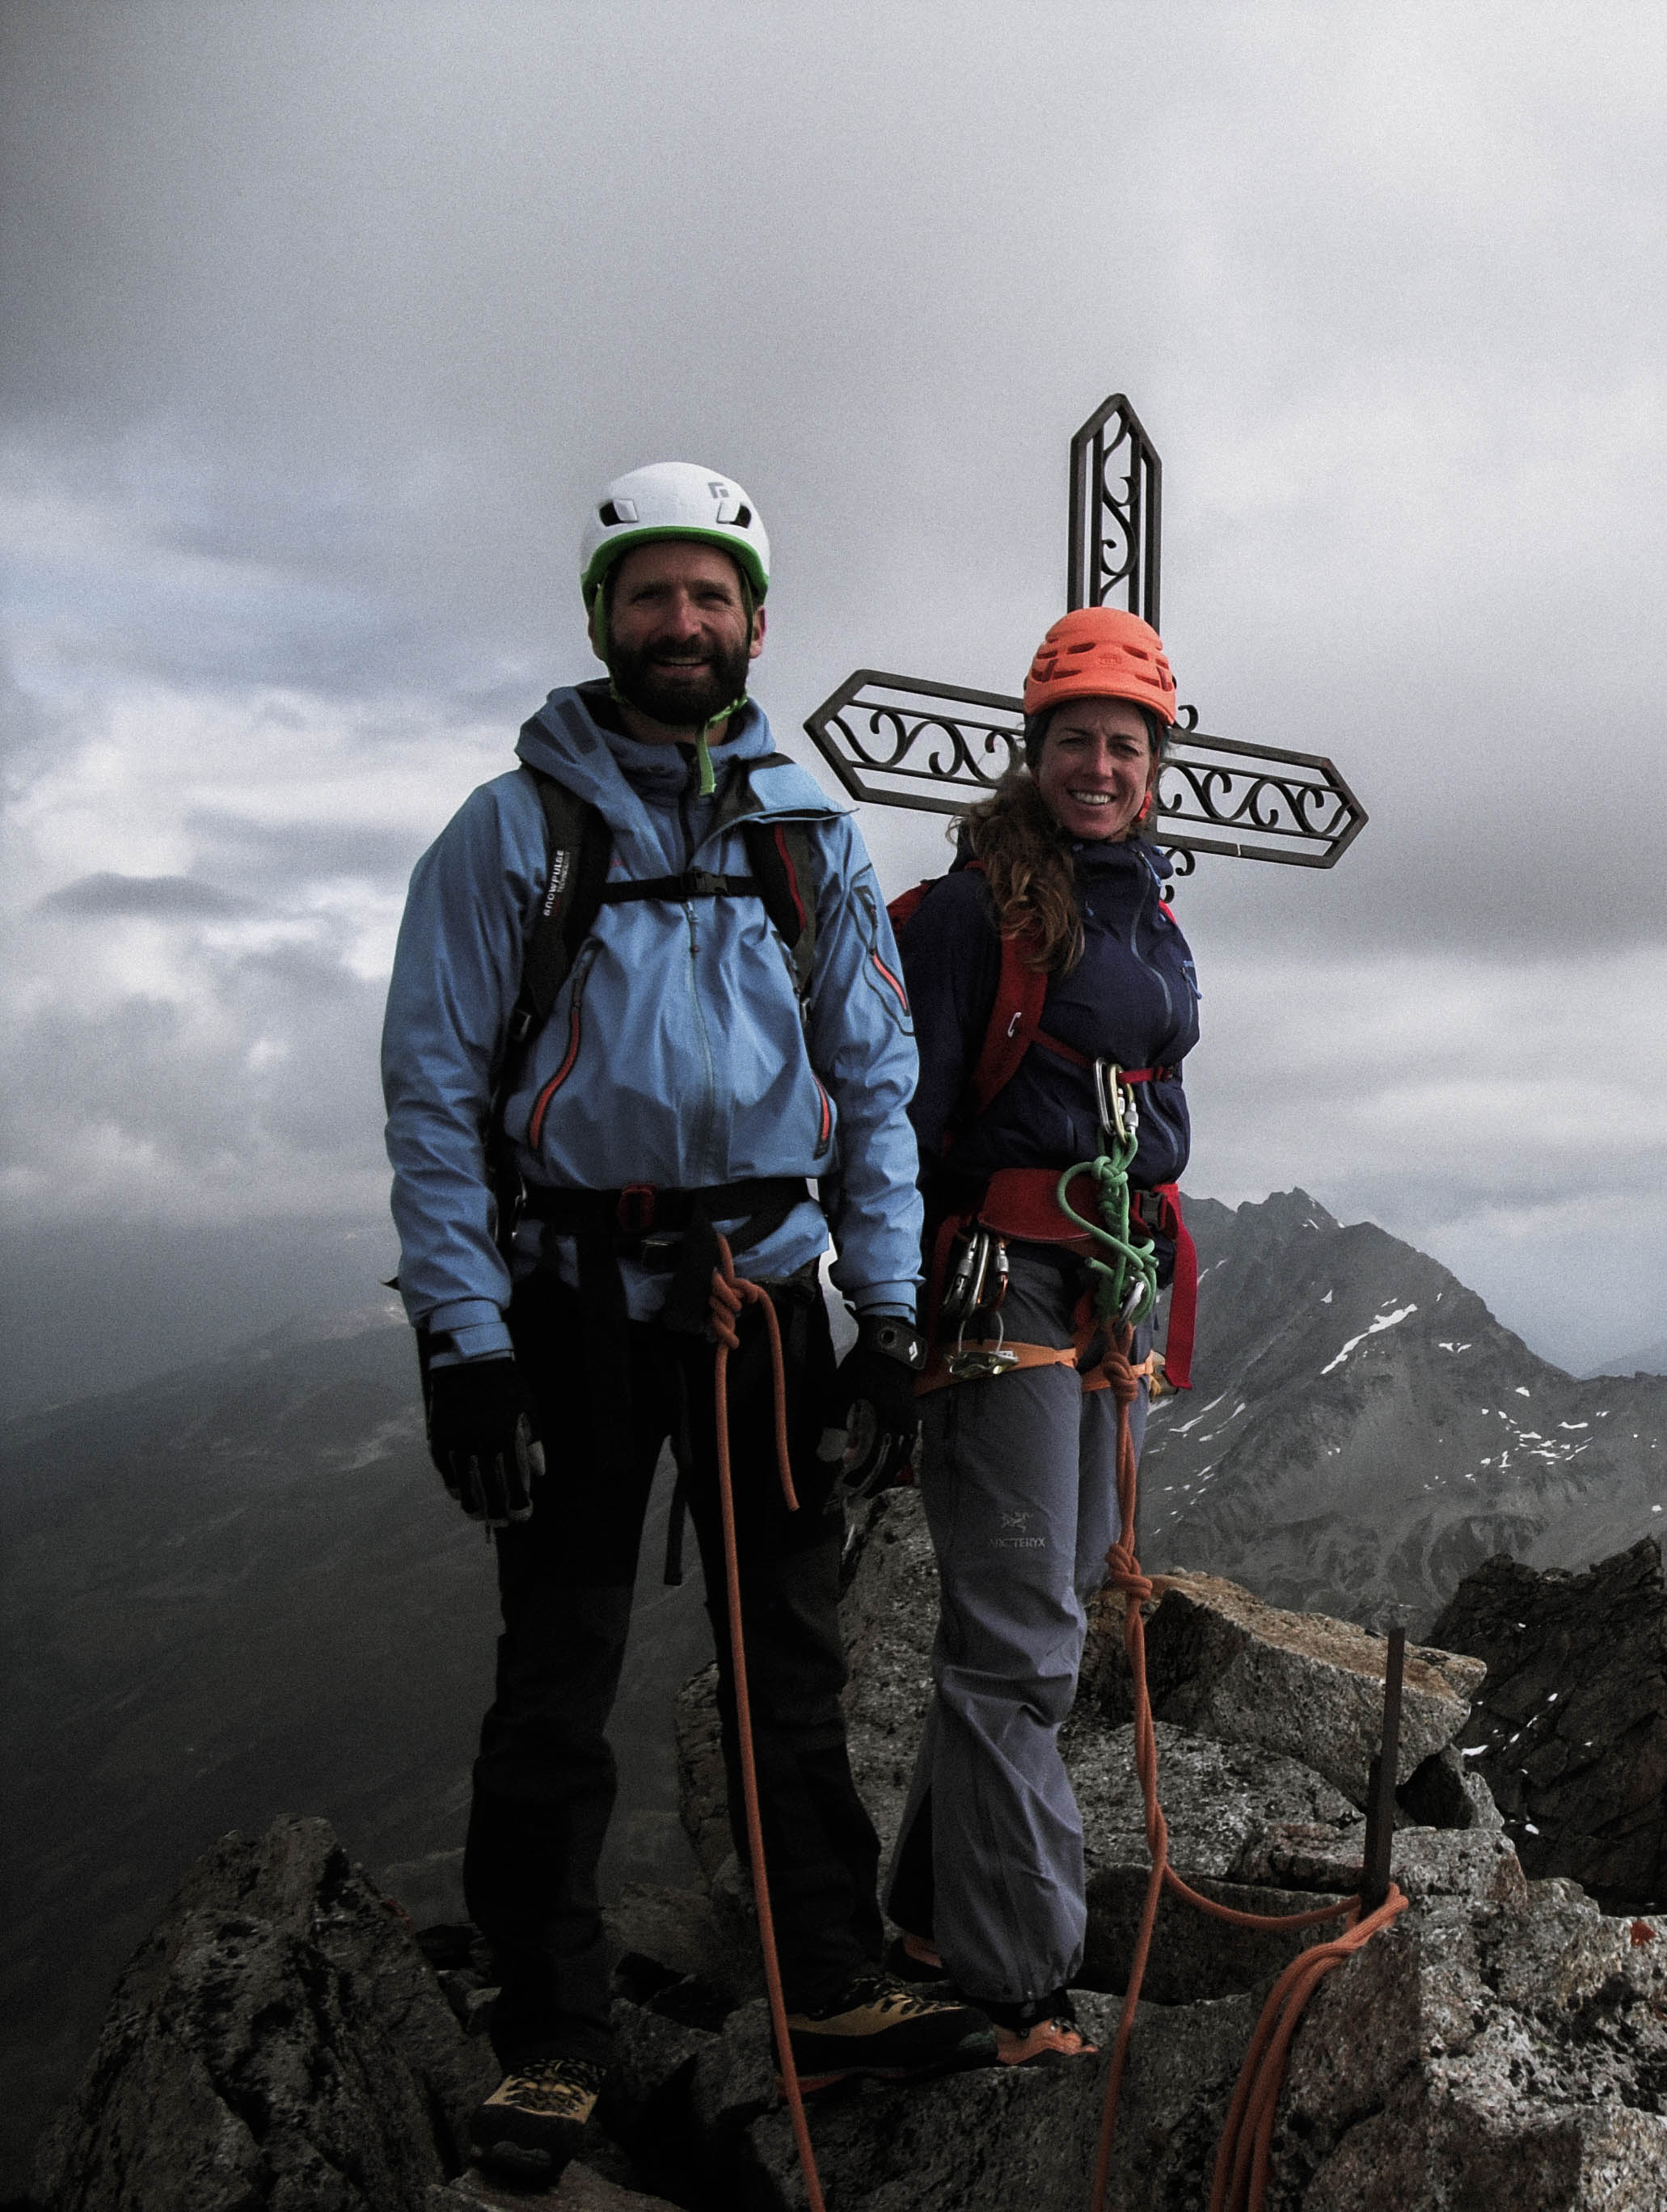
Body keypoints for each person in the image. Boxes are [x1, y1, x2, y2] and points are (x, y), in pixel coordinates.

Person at [382, 462, 981, 2186]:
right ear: (603, 622)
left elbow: (875, 1084)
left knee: (788, 1665)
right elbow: (434, 1094)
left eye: (712, 595)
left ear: (757, 622)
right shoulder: (513, 830)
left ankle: (829, 1986)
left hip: (769, 1305)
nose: (684, 623)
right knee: (556, 1674)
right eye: (652, 595)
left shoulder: (813, 838)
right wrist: (463, 1337)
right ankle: (554, 2032)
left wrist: (881, 1321)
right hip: (572, 1298)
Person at [884, 604, 1200, 2063]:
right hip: (1002, 1283)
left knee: (1052, 1600)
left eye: (1123, 745)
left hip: (1098, 1292)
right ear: (1035, 753)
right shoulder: (972, 915)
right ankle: (1012, 1983)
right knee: (1026, 1644)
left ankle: (921, 1906)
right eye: (1074, 740)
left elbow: (1162, 1117)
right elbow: (911, 1118)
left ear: (1155, 765)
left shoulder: (1150, 917)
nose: (1099, 765)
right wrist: (888, 1307)